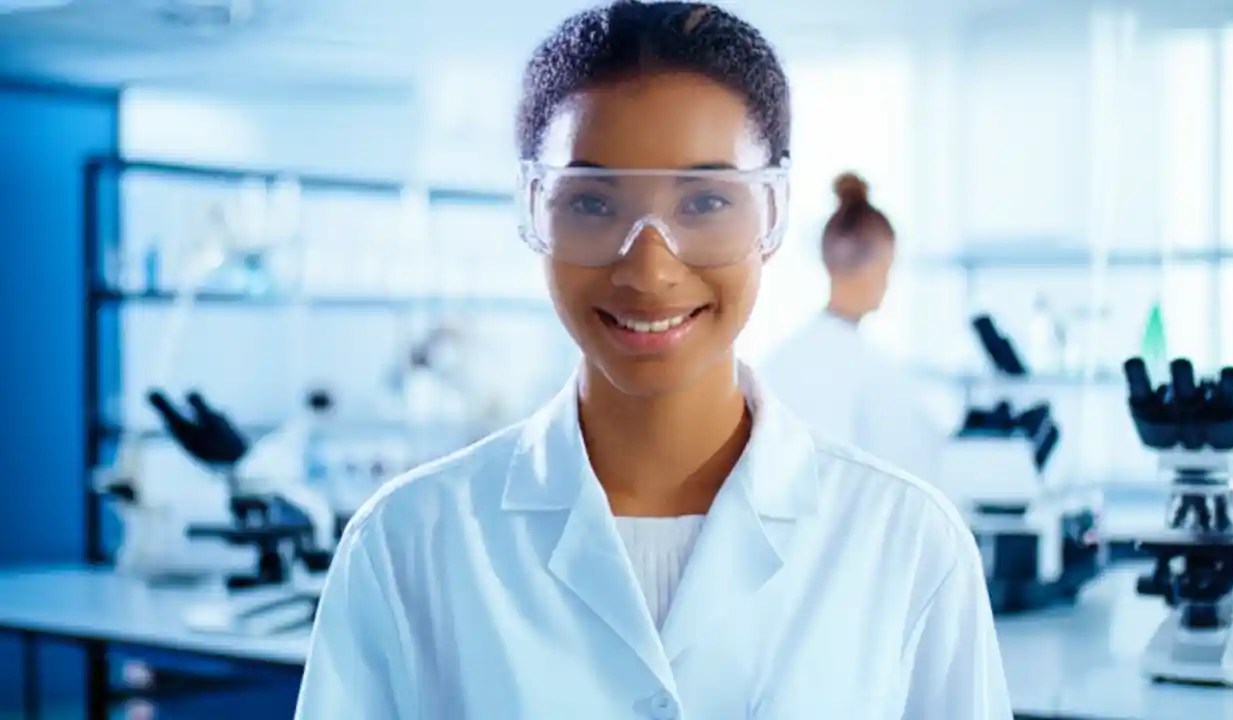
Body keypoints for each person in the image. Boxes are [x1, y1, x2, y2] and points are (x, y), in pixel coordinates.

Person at [295, 3, 1010, 718]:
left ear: (771, 215)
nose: (650, 269)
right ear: (535, 213)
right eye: (592, 204)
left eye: (705, 202)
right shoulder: (406, 544)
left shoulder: (910, 546)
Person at [762, 173, 945, 483]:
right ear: (873, 267)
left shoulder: (780, 360)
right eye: (887, 268)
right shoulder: (871, 367)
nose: (887, 283)